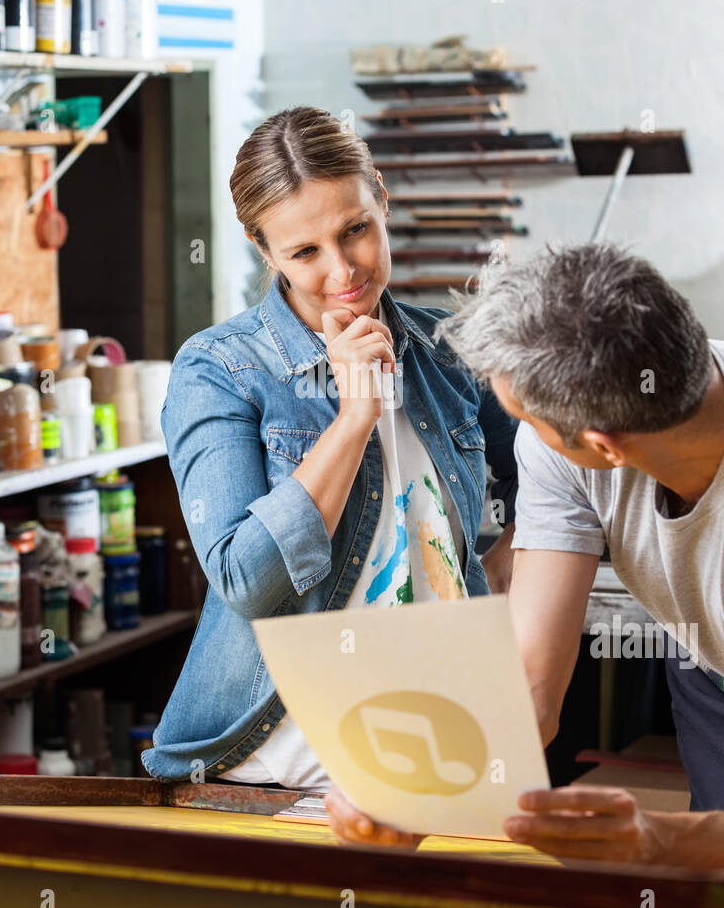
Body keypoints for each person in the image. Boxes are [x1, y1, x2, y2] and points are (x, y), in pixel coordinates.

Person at [326, 243, 724, 869]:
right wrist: (420, 791)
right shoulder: (567, 441)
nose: (525, 439)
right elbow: (532, 685)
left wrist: (664, 839)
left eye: (526, 422)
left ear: (602, 444)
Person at [141, 106, 518, 788]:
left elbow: (555, 497)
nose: (343, 271)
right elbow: (244, 582)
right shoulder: (218, 370)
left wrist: (486, 598)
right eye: (305, 252)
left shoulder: (453, 353)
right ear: (264, 250)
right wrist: (353, 416)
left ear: (380, 195)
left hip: (443, 755)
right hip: (267, 772)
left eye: (356, 231)